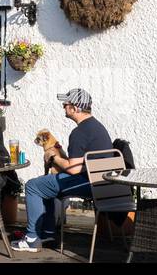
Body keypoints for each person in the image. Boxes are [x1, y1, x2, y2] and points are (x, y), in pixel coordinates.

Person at [13, 87, 113, 252]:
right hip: (102, 182)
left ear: (75, 108)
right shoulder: (97, 126)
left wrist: (54, 158)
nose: (63, 107)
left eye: (65, 104)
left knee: (33, 185)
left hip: (88, 182)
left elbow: (73, 169)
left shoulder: (80, 132)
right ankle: (47, 233)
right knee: (44, 184)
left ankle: (31, 239)